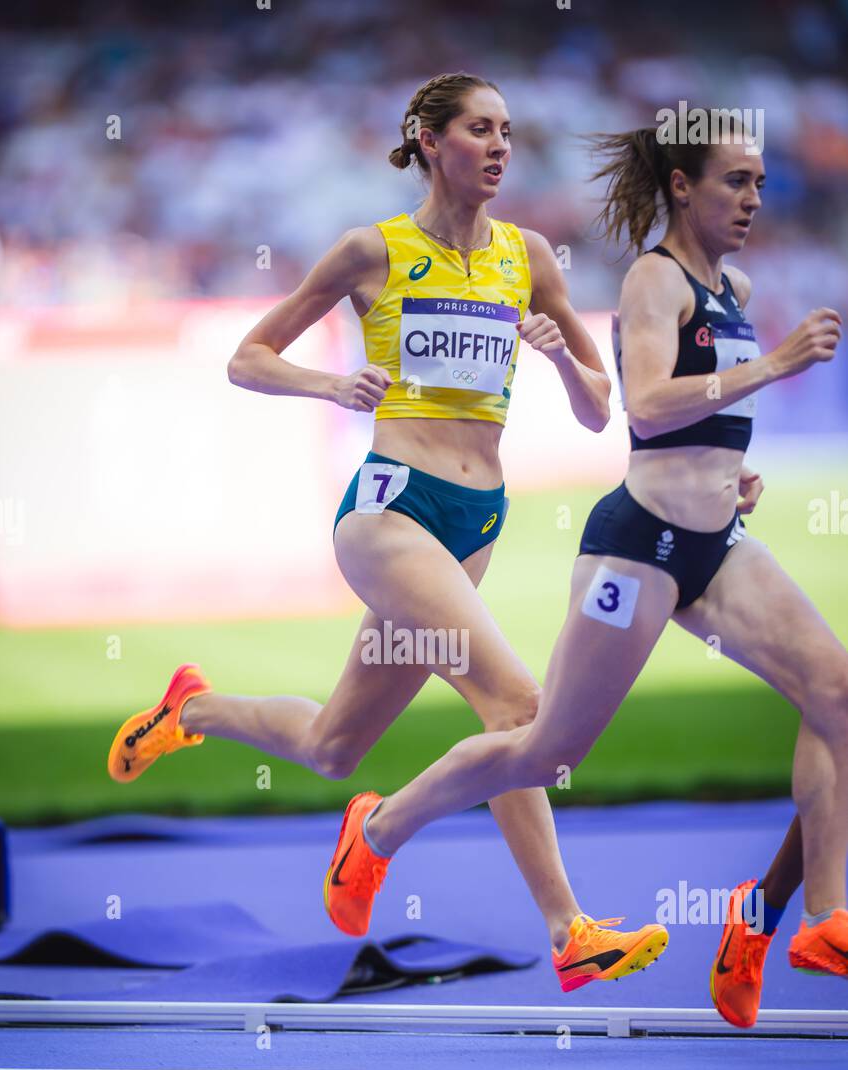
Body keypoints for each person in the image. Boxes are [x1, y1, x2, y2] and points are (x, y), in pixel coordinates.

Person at [106, 73, 669, 993]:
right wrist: (329, 387)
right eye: (479, 130)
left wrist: (563, 357)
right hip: (390, 510)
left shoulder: (529, 256)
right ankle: (565, 929)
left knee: (335, 746)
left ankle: (190, 712)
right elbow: (248, 357)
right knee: (520, 709)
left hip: (479, 517)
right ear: (427, 138)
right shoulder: (372, 250)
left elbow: (601, 410)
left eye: (508, 133)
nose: (499, 148)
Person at [325, 120, 845, 1023]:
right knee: (545, 746)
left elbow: (704, 416)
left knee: (836, 696)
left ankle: (798, 918)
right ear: (683, 187)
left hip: (720, 542)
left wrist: (732, 467)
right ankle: (377, 830)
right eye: (735, 182)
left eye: (760, 183)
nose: (754, 199)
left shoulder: (737, 285)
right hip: (637, 546)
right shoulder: (653, 278)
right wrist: (777, 364)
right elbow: (642, 406)